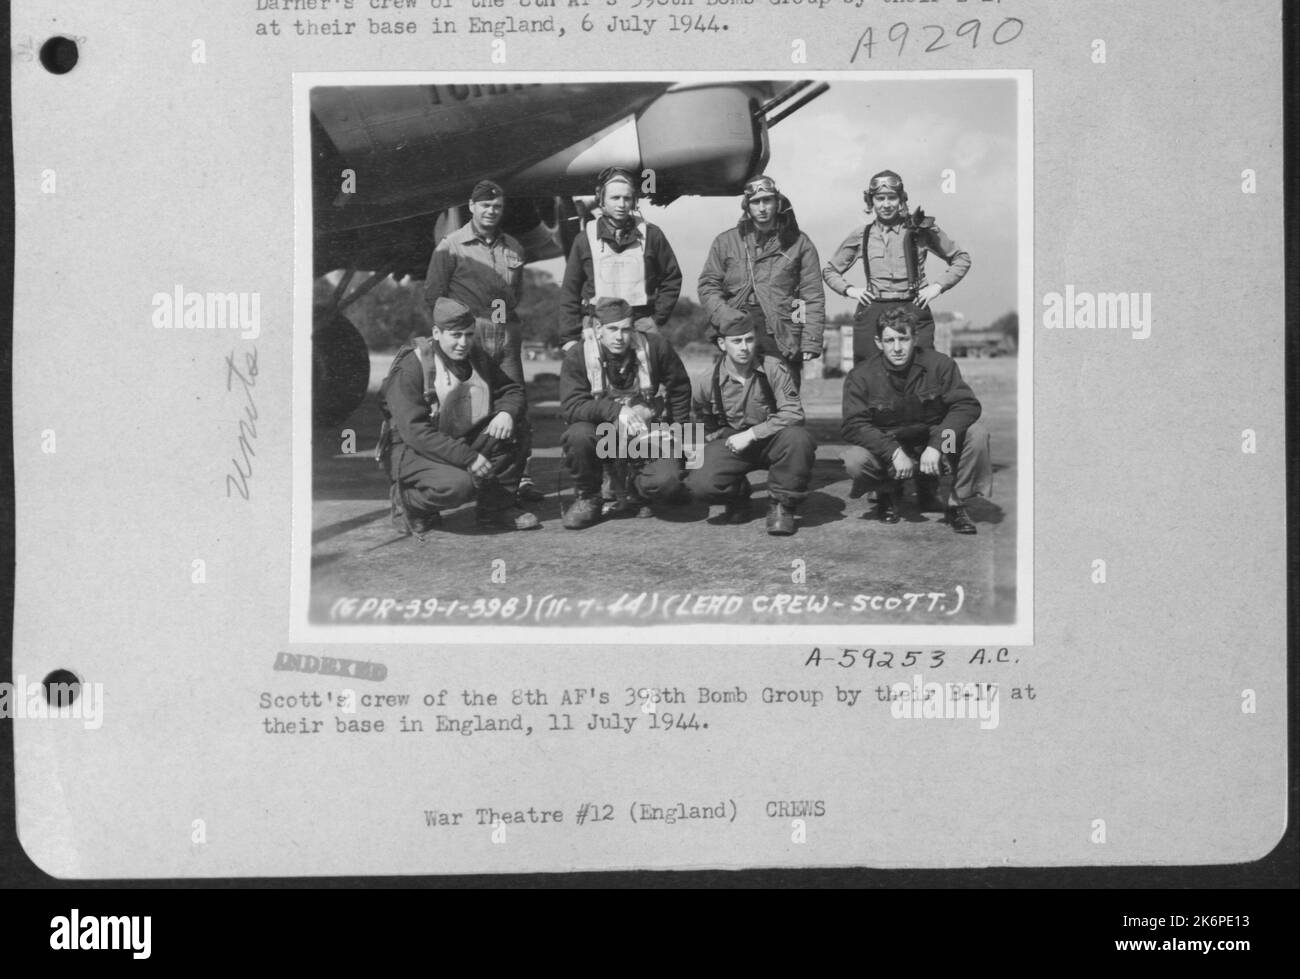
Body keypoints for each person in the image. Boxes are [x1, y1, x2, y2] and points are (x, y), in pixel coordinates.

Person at [377, 297, 541, 537]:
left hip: (451, 436)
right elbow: (415, 432)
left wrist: (506, 412)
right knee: (459, 485)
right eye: (455, 335)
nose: (463, 343)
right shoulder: (412, 366)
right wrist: (469, 457)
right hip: (408, 448)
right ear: (437, 332)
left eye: (469, 334)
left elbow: (512, 390)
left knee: (516, 427)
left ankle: (495, 509)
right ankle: (409, 503)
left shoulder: (476, 356)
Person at [423, 178, 544, 502]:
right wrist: (450, 339)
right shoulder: (450, 245)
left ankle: (519, 479)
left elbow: (514, 294)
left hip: (504, 334)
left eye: (497, 206)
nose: (491, 211)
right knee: (468, 403)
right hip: (470, 335)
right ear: (472, 207)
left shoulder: (514, 248)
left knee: (514, 404)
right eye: (485, 205)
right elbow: (434, 295)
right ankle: (466, 472)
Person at [839, 305, 992, 534]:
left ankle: (955, 504)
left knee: (977, 435)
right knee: (855, 459)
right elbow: (853, 425)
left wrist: (939, 444)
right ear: (879, 342)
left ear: (915, 338)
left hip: (935, 442)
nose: (898, 348)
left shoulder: (940, 365)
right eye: (890, 341)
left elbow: (966, 405)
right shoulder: (861, 376)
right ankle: (887, 492)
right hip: (890, 446)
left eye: (904, 339)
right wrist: (893, 452)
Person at [559, 298, 691, 530]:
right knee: (577, 434)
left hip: (647, 431)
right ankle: (589, 497)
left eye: (625, 329)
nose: (619, 337)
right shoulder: (578, 355)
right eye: (612, 329)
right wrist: (615, 410)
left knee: (669, 484)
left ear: (633, 327)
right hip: (603, 434)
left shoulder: (656, 346)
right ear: (598, 329)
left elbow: (680, 388)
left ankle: (638, 490)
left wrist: (681, 438)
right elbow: (571, 406)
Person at [685, 308, 816, 536]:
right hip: (732, 444)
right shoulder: (706, 380)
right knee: (698, 483)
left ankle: (781, 505)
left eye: (749, 340)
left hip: (770, 440)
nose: (744, 347)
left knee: (799, 438)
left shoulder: (773, 368)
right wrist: (697, 448)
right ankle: (736, 494)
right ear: (722, 344)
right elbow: (694, 417)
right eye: (736, 341)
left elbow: (794, 413)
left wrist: (752, 434)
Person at [823, 170, 971, 364]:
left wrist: (936, 287)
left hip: (913, 307)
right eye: (879, 198)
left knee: (922, 372)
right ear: (871, 201)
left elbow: (961, 258)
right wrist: (850, 290)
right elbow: (830, 271)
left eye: (892, 198)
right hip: (873, 309)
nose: (886, 204)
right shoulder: (861, 235)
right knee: (868, 375)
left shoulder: (920, 230)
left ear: (901, 199)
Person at [697, 174, 826, 390]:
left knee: (784, 397)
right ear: (747, 206)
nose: (762, 207)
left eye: (767, 200)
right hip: (737, 324)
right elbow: (708, 285)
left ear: (777, 202)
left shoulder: (799, 243)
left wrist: (810, 339)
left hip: (781, 328)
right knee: (733, 393)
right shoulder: (725, 241)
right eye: (756, 202)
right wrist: (724, 315)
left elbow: (811, 295)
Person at [558, 167, 682, 349]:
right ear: (602, 200)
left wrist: (656, 319)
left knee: (647, 376)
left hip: (640, 325)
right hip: (597, 325)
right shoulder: (585, 238)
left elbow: (671, 278)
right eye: (615, 198)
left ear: (634, 201)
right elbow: (570, 290)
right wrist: (569, 337)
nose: (621, 204)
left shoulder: (652, 234)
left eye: (627, 198)